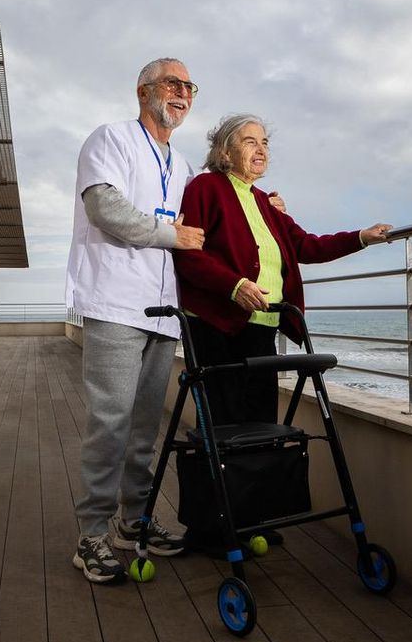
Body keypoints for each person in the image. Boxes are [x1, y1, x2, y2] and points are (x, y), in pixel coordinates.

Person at [63, 58, 203, 584]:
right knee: (111, 422)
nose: (182, 92)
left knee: (145, 427)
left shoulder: (184, 165)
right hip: (116, 301)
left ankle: (134, 521)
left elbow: (208, 215)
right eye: (172, 83)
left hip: (165, 311)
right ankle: (92, 534)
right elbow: (105, 207)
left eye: (189, 86)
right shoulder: (111, 139)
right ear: (143, 91)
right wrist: (172, 236)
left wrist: (264, 201)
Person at [175, 113, 393, 428]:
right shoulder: (206, 187)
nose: (261, 149)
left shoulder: (267, 203)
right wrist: (236, 286)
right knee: (224, 428)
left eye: (264, 142)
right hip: (218, 324)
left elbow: (306, 246)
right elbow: (189, 256)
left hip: (264, 323)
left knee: (262, 425)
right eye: (250, 141)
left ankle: (262, 479)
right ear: (225, 152)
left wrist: (361, 238)